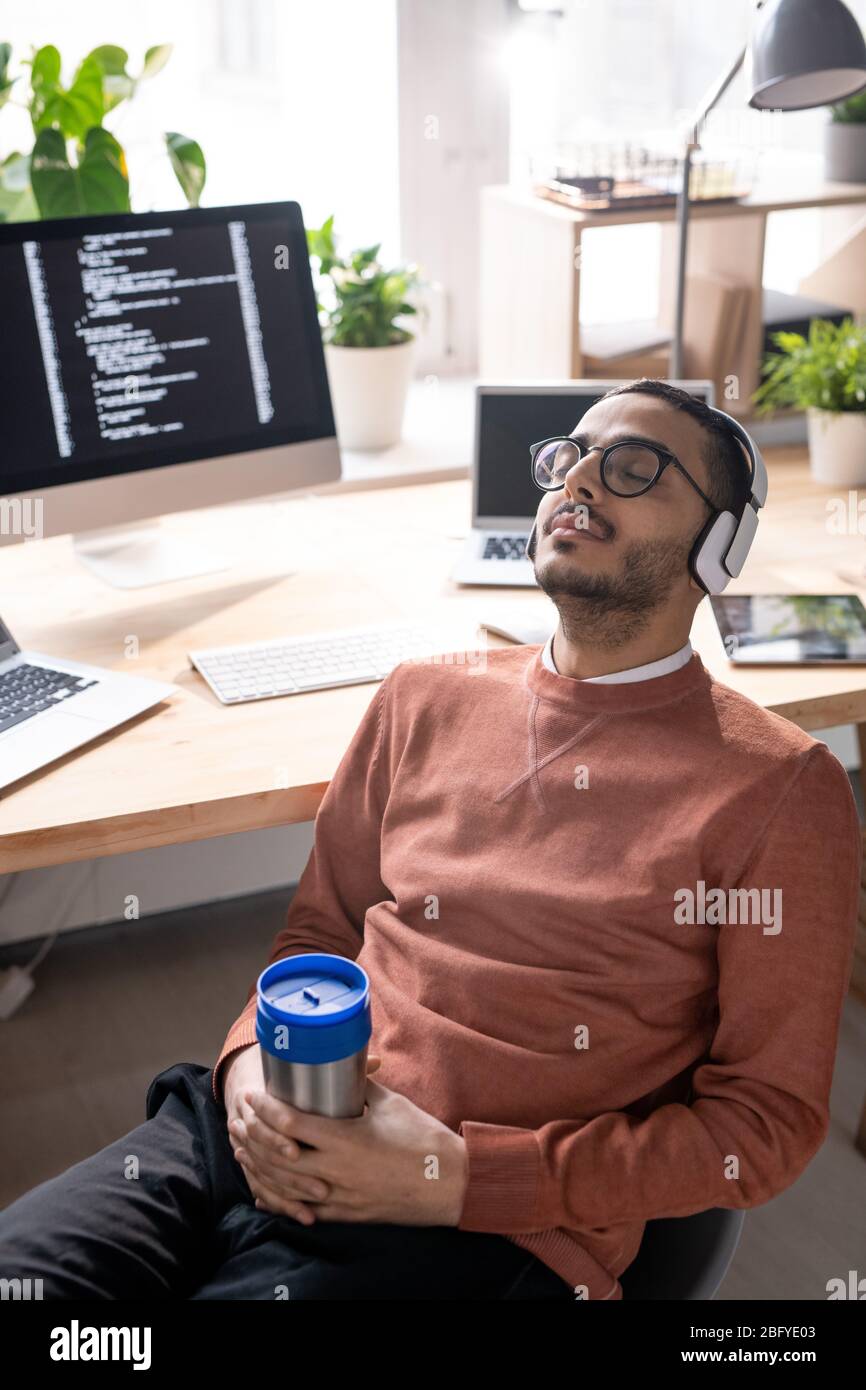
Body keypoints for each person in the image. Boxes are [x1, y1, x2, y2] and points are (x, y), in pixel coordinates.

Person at [1, 379, 859, 1301]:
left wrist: (452, 1175)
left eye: (635, 467)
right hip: (261, 1123)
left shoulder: (778, 788)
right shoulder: (424, 695)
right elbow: (319, 938)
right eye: (568, 457)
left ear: (719, 547)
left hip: (478, 1227)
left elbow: (763, 1127)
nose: (580, 483)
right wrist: (250, 1064)